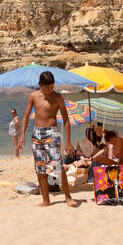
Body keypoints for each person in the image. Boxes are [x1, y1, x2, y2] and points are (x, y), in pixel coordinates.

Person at [19, 71, 80, 207]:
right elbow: (26, 117)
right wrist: (22, 136)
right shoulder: (33, 96)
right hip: (36, 134)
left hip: (52, 133)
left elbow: (66, 120)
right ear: (40, 85)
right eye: (47, 87)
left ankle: (68, 198)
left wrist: (68, 142)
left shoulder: (58, 98)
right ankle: (46, 200)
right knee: (39, 168)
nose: (50, 89)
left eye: (52, 86)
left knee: (58, 166)